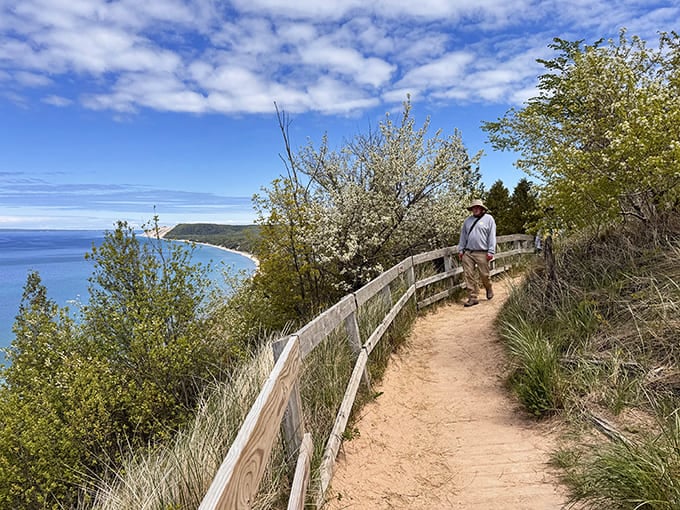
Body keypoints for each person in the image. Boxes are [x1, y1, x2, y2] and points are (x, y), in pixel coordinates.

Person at [458, 199, 497, 307]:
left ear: (481, 208)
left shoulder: (489, 219)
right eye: (473, 208)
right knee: (468, 275)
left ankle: (488, 287)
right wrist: (461, 250)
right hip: (468, 252)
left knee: (484, 275)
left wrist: (491, 251)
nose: (475, 209)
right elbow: (463, 236)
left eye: (477, 207)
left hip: (482, 252)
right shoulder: (467, 221)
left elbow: (492, 236)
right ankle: (472, 297)